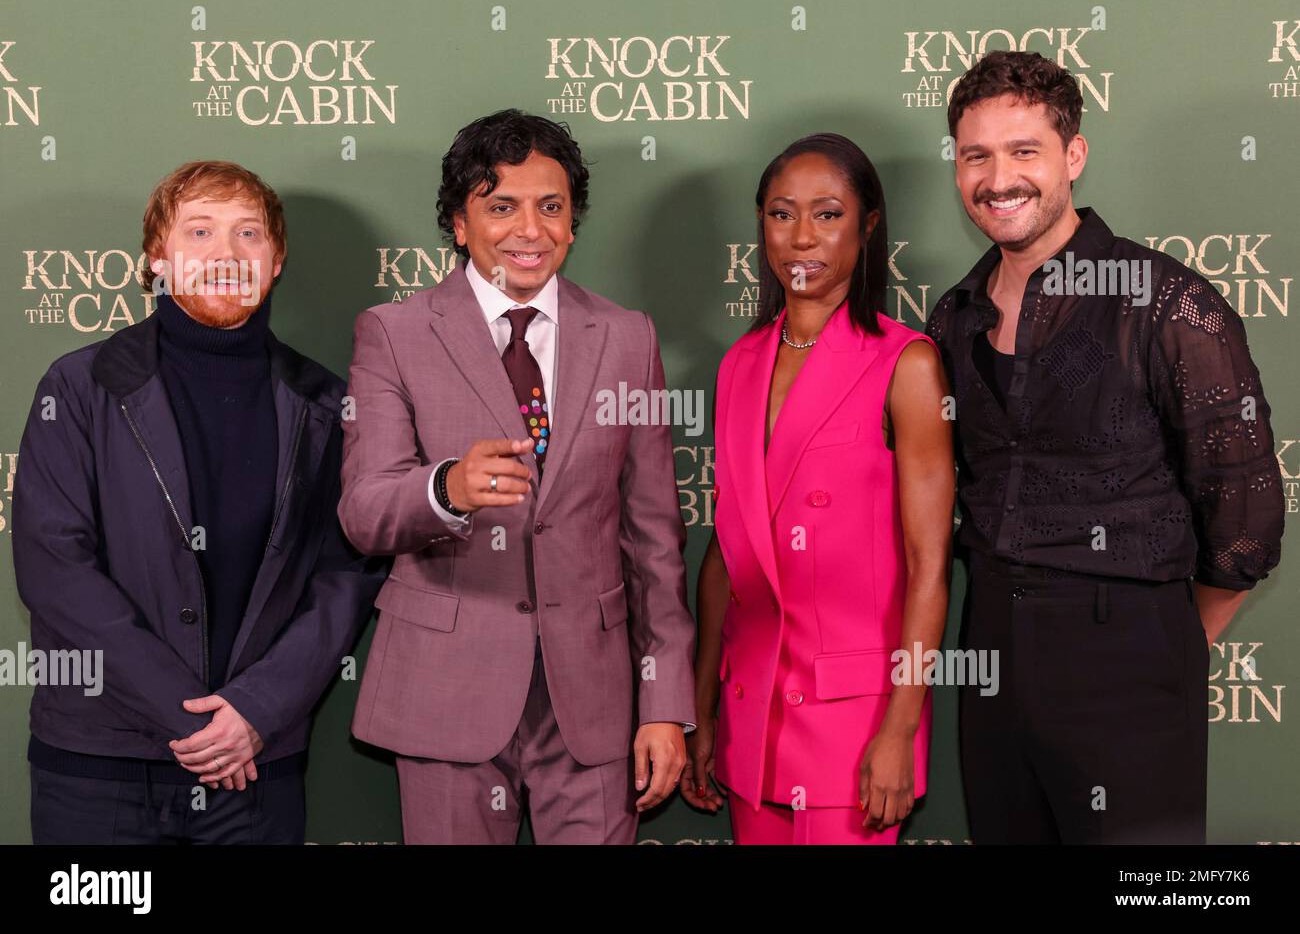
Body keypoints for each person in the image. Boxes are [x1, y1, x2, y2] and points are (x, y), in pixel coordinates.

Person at [925, 50, 1285, 843]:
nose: (998, 178)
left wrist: (1164, 644)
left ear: (1073, 156)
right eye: (976, 156)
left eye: (1025, 152)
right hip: (989, 649)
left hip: (1130, 651)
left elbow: (1248, 514)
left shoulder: (1167, 302)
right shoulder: (953, 316)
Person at [339, 109, 696, 844]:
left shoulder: (629, 338)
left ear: (573, 223)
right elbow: (365, 511)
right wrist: (445, 490)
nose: (528, 230)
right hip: (445, 695)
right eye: (500, 206)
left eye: (551, 206)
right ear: (459, 224)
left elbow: (655, 539)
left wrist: (663, 701)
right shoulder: (395, 334)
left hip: (594, 708)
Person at [14, 160, 386, 844]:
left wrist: (254, 709)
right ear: (157, 258)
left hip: (255, 766)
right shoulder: (76, 386)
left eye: (248, 234)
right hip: (99, 765)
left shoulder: (328, 404)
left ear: (275, 261)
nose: (226, 254)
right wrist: (190, 716)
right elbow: (53, 569)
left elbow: (347, 575)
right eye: (200, 232)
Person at [682, 134, 954, 844]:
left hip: (855, 722)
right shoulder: (740, 364)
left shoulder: (907, 363)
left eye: (827, 214)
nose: (801, 237)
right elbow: (726, 556)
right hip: (752, 711)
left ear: (867, 227)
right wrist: (703, 708)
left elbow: (930, 569)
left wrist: (901, 727)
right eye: (781, 214)